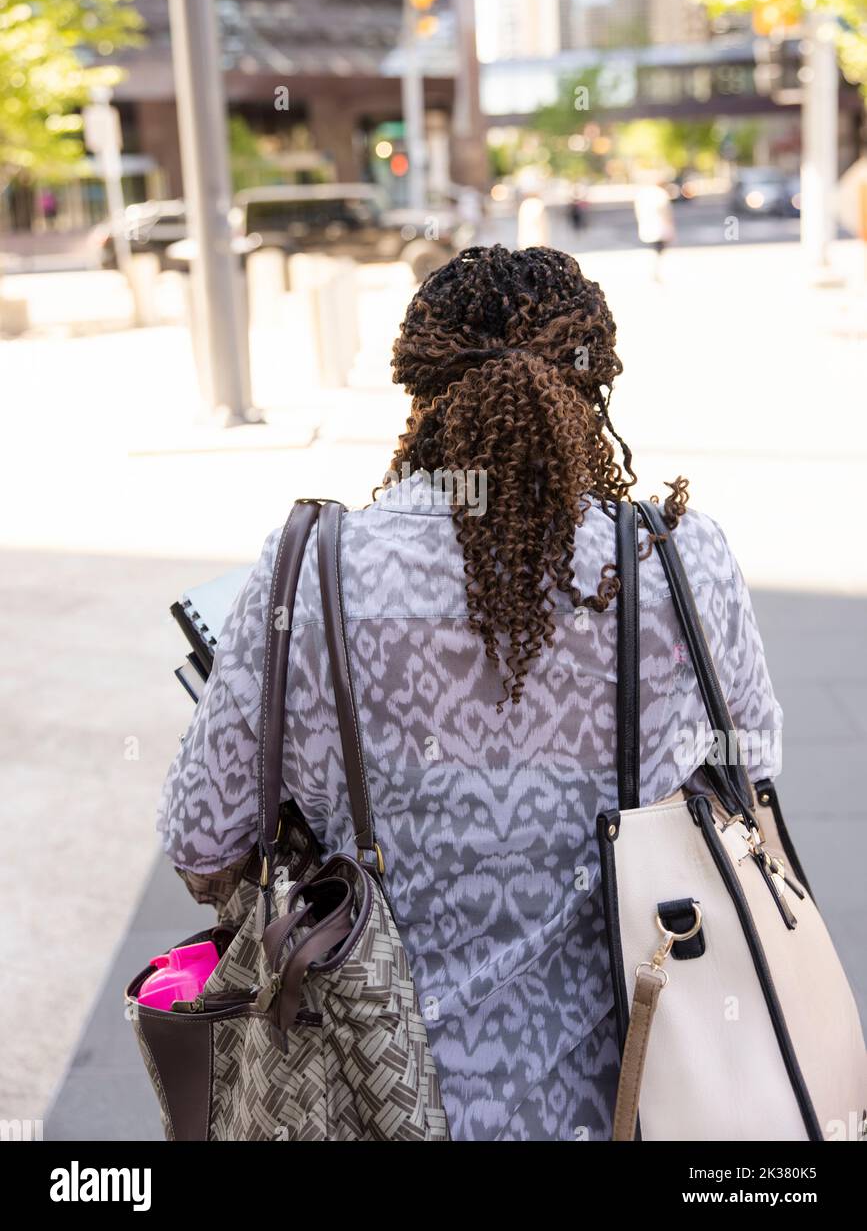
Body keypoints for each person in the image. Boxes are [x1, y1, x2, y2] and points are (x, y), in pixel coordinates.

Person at [158, 245, 781, 1141]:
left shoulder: (313, 573)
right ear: (595, 386)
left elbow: (202, 845)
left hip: (375, 1095)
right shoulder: (680, 562)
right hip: (638, 1095)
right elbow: (748, 792)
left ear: (415, 390)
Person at [633, 177, 674, 280]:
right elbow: (667, 213)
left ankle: (653, 270)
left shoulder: (642, 194)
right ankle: (655, 271)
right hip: (659, 227)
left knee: (653, 250)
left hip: (647, 226)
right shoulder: (661, 194)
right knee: (658, 251)